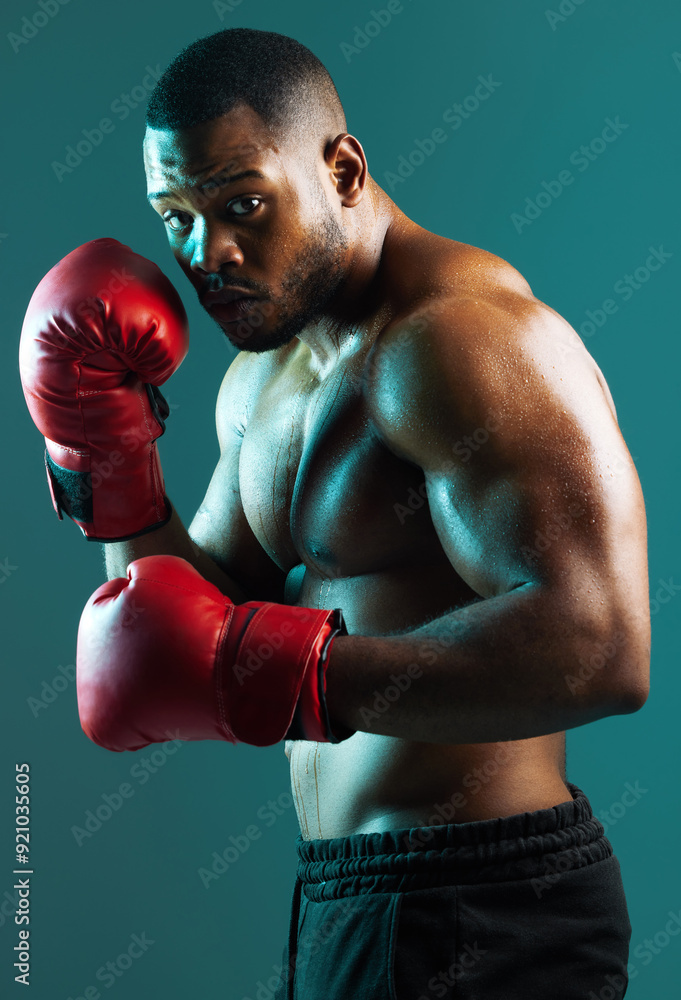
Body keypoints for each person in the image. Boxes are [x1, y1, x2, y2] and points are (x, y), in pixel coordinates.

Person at [19, 27, 649, 1000]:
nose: (206, 253)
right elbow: (177, 626)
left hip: (487, 902)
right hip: (346, 899)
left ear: (343, 168)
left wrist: (302, 674)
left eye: (243, 205)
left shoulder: (462, 341)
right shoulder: (261, 379)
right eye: (176, 216)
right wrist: (105, 456)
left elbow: (604, 645)